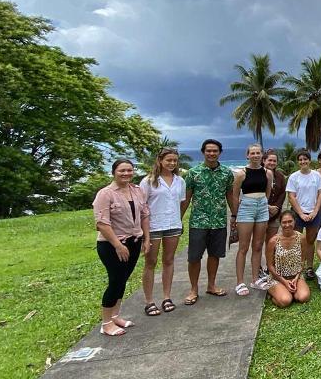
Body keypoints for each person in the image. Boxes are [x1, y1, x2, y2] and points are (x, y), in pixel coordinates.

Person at [94, 159, 150, 335]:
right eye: (122, 171)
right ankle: (106, 324)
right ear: (113, 172)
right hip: (112, 244)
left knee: (123, 280)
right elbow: (102, 223)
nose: (126, 174)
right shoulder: (105, 194)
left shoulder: (137, 191)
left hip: (134, 241)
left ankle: (115, 316)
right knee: (115, 280)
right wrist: (118, 245)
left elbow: (144, 215)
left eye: (129, 170)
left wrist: (146, 238)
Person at [182, 139, 236, 306]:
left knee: (214, 255)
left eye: (215, 151)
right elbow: (187, 197)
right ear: (203, 152)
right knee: (194, 257)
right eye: (208, 151)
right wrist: (179, 219)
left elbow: (230, 195)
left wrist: (234, 215)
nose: (212, 153)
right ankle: (193, 289)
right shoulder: (193, 173)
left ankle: (211, 285)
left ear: (220, 152)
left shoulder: (227, 173)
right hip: (198, 222)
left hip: (219, 221)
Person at [139, 148, 186, 316]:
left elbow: (180, 203)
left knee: (169, 260)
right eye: (168, 160)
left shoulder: (179, 180)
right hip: (153, 226)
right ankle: (149, 301)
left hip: (173, 225)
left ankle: (167, 297)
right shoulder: (149, 181)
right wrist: (143, 232)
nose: (172, 163)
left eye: (174, 160)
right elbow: (142, 206)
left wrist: (178, 221)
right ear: (160, 160)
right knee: (150, 262)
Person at [231, 143, 274, 296]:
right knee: (243, 247)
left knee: (257, 245)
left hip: (262, 206)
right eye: (253, 153)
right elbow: (235, 196)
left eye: (258, 153)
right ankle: (240, 282)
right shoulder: (241, 174)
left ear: (262, 155)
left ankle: (255, 279)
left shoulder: (268, 173)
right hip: (246, 207)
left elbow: (268, 191)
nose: (256, 155)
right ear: (247, 155)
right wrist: (234, 215)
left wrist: (264, 204)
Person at [286, 150, 321, 278]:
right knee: (295, 240)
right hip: (298, 213)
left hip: (314, 212)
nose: (303, 162)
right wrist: (301, 213)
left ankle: (309, 267)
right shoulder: (294, 177)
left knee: (310, 240)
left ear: (309, 160)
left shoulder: (316, 176)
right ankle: (295, 267)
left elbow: (320, 194)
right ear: (298, 162)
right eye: (300, 160)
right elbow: (291, 196)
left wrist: (315, 211)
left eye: (305, 159)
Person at [262, 211, 311, 308]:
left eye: (290, 221)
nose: (287, 225)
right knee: (286, 301)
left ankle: (289, 290)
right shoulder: (273, 241)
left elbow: (302, 261)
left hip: (296, 276)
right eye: (284, 222)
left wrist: (296, 278)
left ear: (294, 222)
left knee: (303, 297)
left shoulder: (301, 238)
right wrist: (284, 281)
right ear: (280, 223)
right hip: (278, 278)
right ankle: (273, 293)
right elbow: (270, 266)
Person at [256, 149, 287, 289]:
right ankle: (257, 269)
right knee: (258, 243)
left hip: (275, 214)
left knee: (271, 243)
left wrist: (277, 208)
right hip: (259, 212)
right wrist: (266, 206)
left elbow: (282, 194)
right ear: (264, 161)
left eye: (274, 161)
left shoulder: (280, 176)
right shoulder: (257, 174)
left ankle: (270, 267)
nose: (272, 163)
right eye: (270, 160)